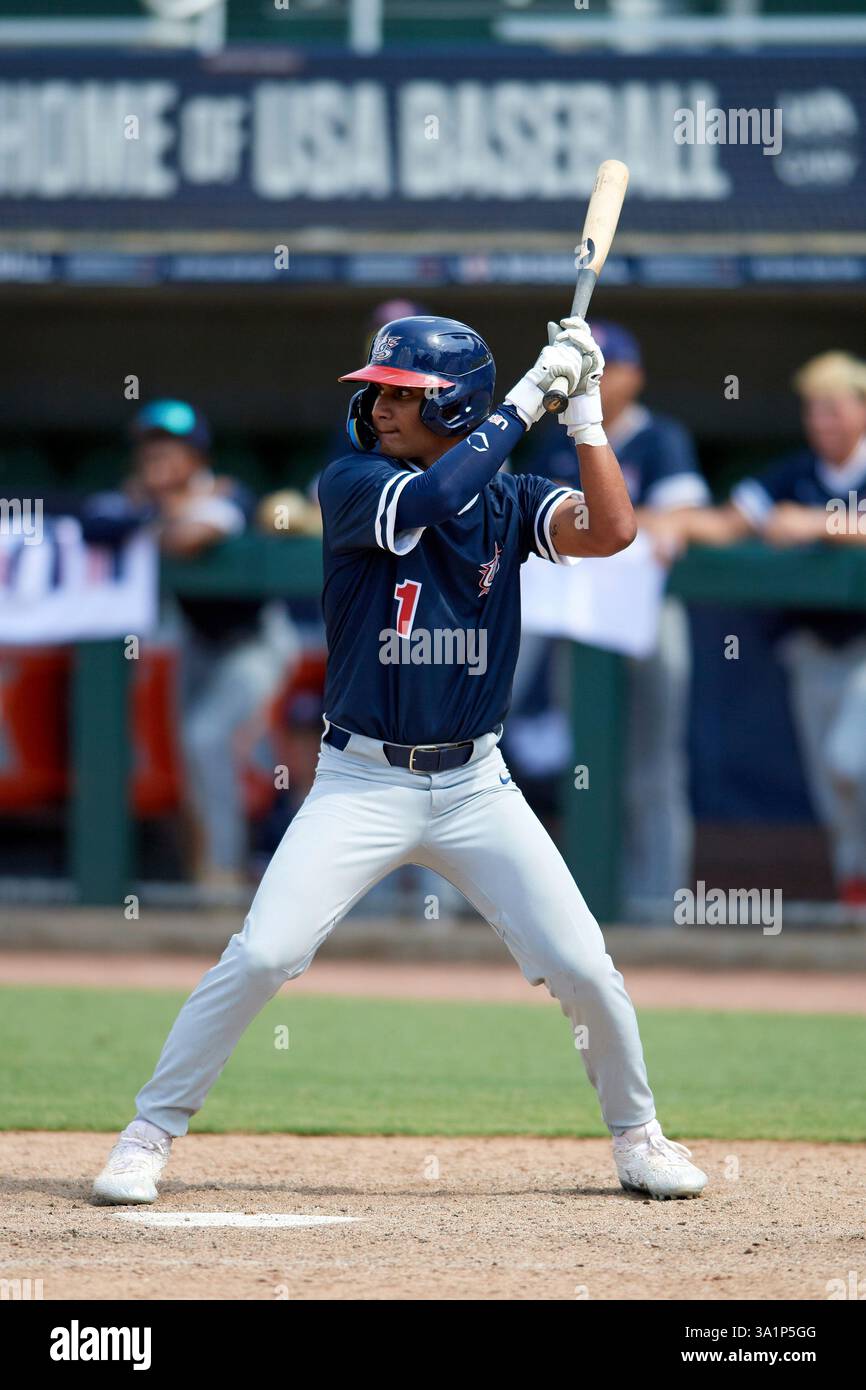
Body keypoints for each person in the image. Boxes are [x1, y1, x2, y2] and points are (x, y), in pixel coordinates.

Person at [92, 316, 708, 1206]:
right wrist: (531, 395)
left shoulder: (508, 495)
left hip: (475, 786)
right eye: (378, 390)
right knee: (265, 954)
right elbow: (426, 505)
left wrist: (585, 419)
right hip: (361, 779)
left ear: (454, 403)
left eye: (402, 393)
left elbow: (612, 532)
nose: (379, 405)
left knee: (583, 968)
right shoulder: (351, 481)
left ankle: (640, 1139)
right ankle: (147, 1135)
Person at [512, 322, 711, 912]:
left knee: (655, 766)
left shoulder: (660, 437)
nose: (599, 378)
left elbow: (692, 520)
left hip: (647, 612)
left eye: (609, 366)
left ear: (632, 374)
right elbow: (535, 508)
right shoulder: (557, 437)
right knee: (590, 765)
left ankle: (657, 907)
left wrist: (643, 521)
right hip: (577, 615)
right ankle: (594, 904)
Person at [653, 351, 866, 904]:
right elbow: (727, 524)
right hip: (816, 650)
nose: (823, 423)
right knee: (830, 784)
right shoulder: (796, 472)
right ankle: (854, 898)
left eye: (834, 410)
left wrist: (819, 523)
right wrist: (662, 522)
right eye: (814, 411)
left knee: (851, 758)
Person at [125, 399, 299, 891]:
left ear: (197, 457)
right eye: (150, 449)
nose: (157, 458)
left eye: (171, 449)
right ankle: (205, 872)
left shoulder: (227, 494)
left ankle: (224, 873)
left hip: (257, 643)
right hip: (199, 644)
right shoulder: (142, 503)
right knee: (190, 753)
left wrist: (144, 521)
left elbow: (188, 538)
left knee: (208, 739)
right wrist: (141, 515)